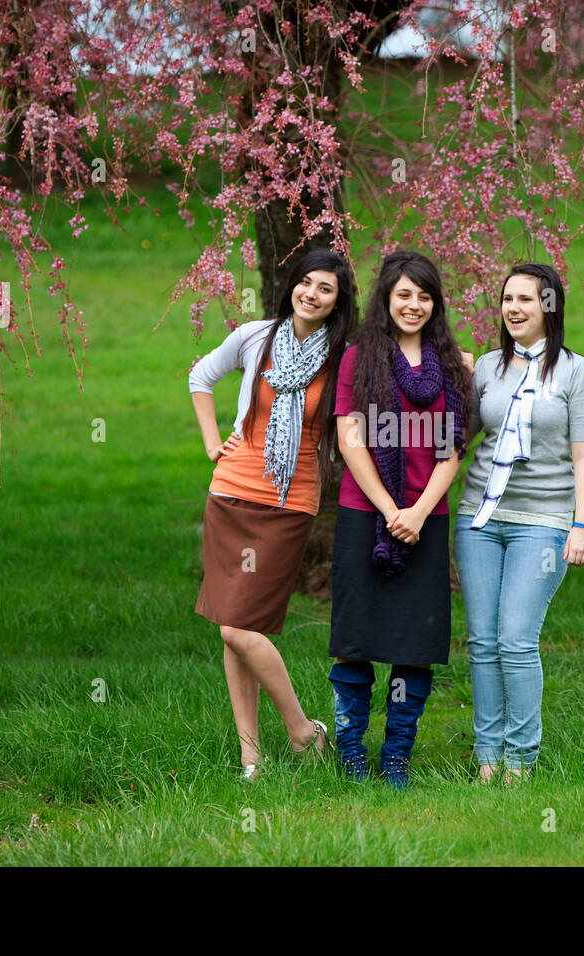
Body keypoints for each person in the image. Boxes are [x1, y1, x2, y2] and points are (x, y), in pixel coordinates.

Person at [189, 249, 357, 782]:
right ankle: (250, 757)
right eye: (305, 282)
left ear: (337, 301)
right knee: (231, 630)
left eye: (325, 288)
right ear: (291, 286)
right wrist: (215, 442)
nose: (311, 293)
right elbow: (200, 375)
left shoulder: (342, 356)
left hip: (288, 501)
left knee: (240, 628)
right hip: (232, 491)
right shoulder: (256, 337)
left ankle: (304, 731)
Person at [328, 251, 472, 789]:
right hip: (364, 513)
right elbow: (351, 437)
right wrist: (391, 511)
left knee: (416, 643)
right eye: (404, 294)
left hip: (427, 518)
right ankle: (351, 753)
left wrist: (417, 511)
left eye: (424, 296)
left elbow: (452, 448)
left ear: (436, 303)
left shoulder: (453, 365)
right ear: (386, 298)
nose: (414, 305)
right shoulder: (358, 359)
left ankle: (395, 759)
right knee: (356, 636)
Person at [454, 263, 584, 785]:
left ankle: (520, 759)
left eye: (527, 300)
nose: (514, 308)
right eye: (507, 299)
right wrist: (447, 372)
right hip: (479, 517)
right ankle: (488, 758)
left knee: (516, 639)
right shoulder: (488, 368)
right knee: (483, 641)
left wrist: (582, 525)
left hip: (543, 520)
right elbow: (458, 439)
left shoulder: (577, 373)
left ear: (550, 308)